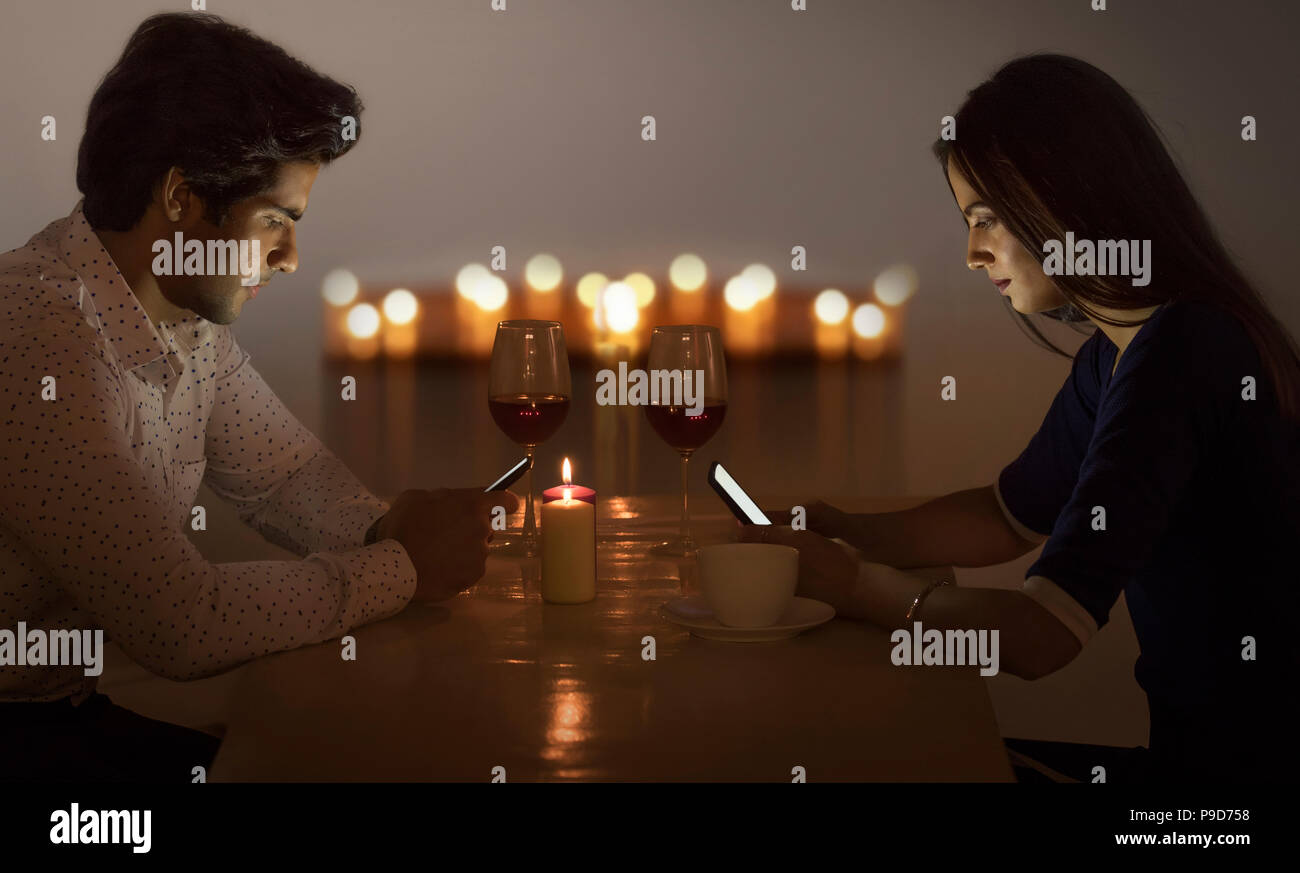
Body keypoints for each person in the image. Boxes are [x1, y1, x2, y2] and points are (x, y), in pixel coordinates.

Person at [747, 54, 1300, 784]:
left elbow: (1040, 638)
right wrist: (848, 530)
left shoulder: (1182, 355)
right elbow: (1007, 517)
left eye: (986, 219)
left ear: (1065, 193)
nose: (975, 254)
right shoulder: (1124, 352)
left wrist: (855, 588)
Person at [0, 12, 516, 781]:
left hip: (64, 715)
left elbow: (284, 475)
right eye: (277, 219)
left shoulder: (180, 321)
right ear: (180, 197)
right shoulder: (38, 331)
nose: (292, 257)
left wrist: (385, 523)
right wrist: (403, 568)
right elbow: (181, 621)